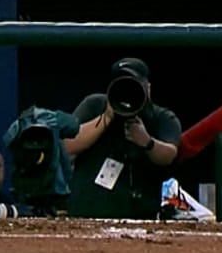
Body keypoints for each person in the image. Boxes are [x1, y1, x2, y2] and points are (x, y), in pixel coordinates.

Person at [64, 58, 181, 220]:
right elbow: (67, 145)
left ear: (148, 88)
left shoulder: (161, 117)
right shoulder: (95, 105)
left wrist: (146, 141)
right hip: (87, 212)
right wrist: (106, 118)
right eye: (122, 83)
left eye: (133, 85)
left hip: (139, 216)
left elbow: (169, 155)